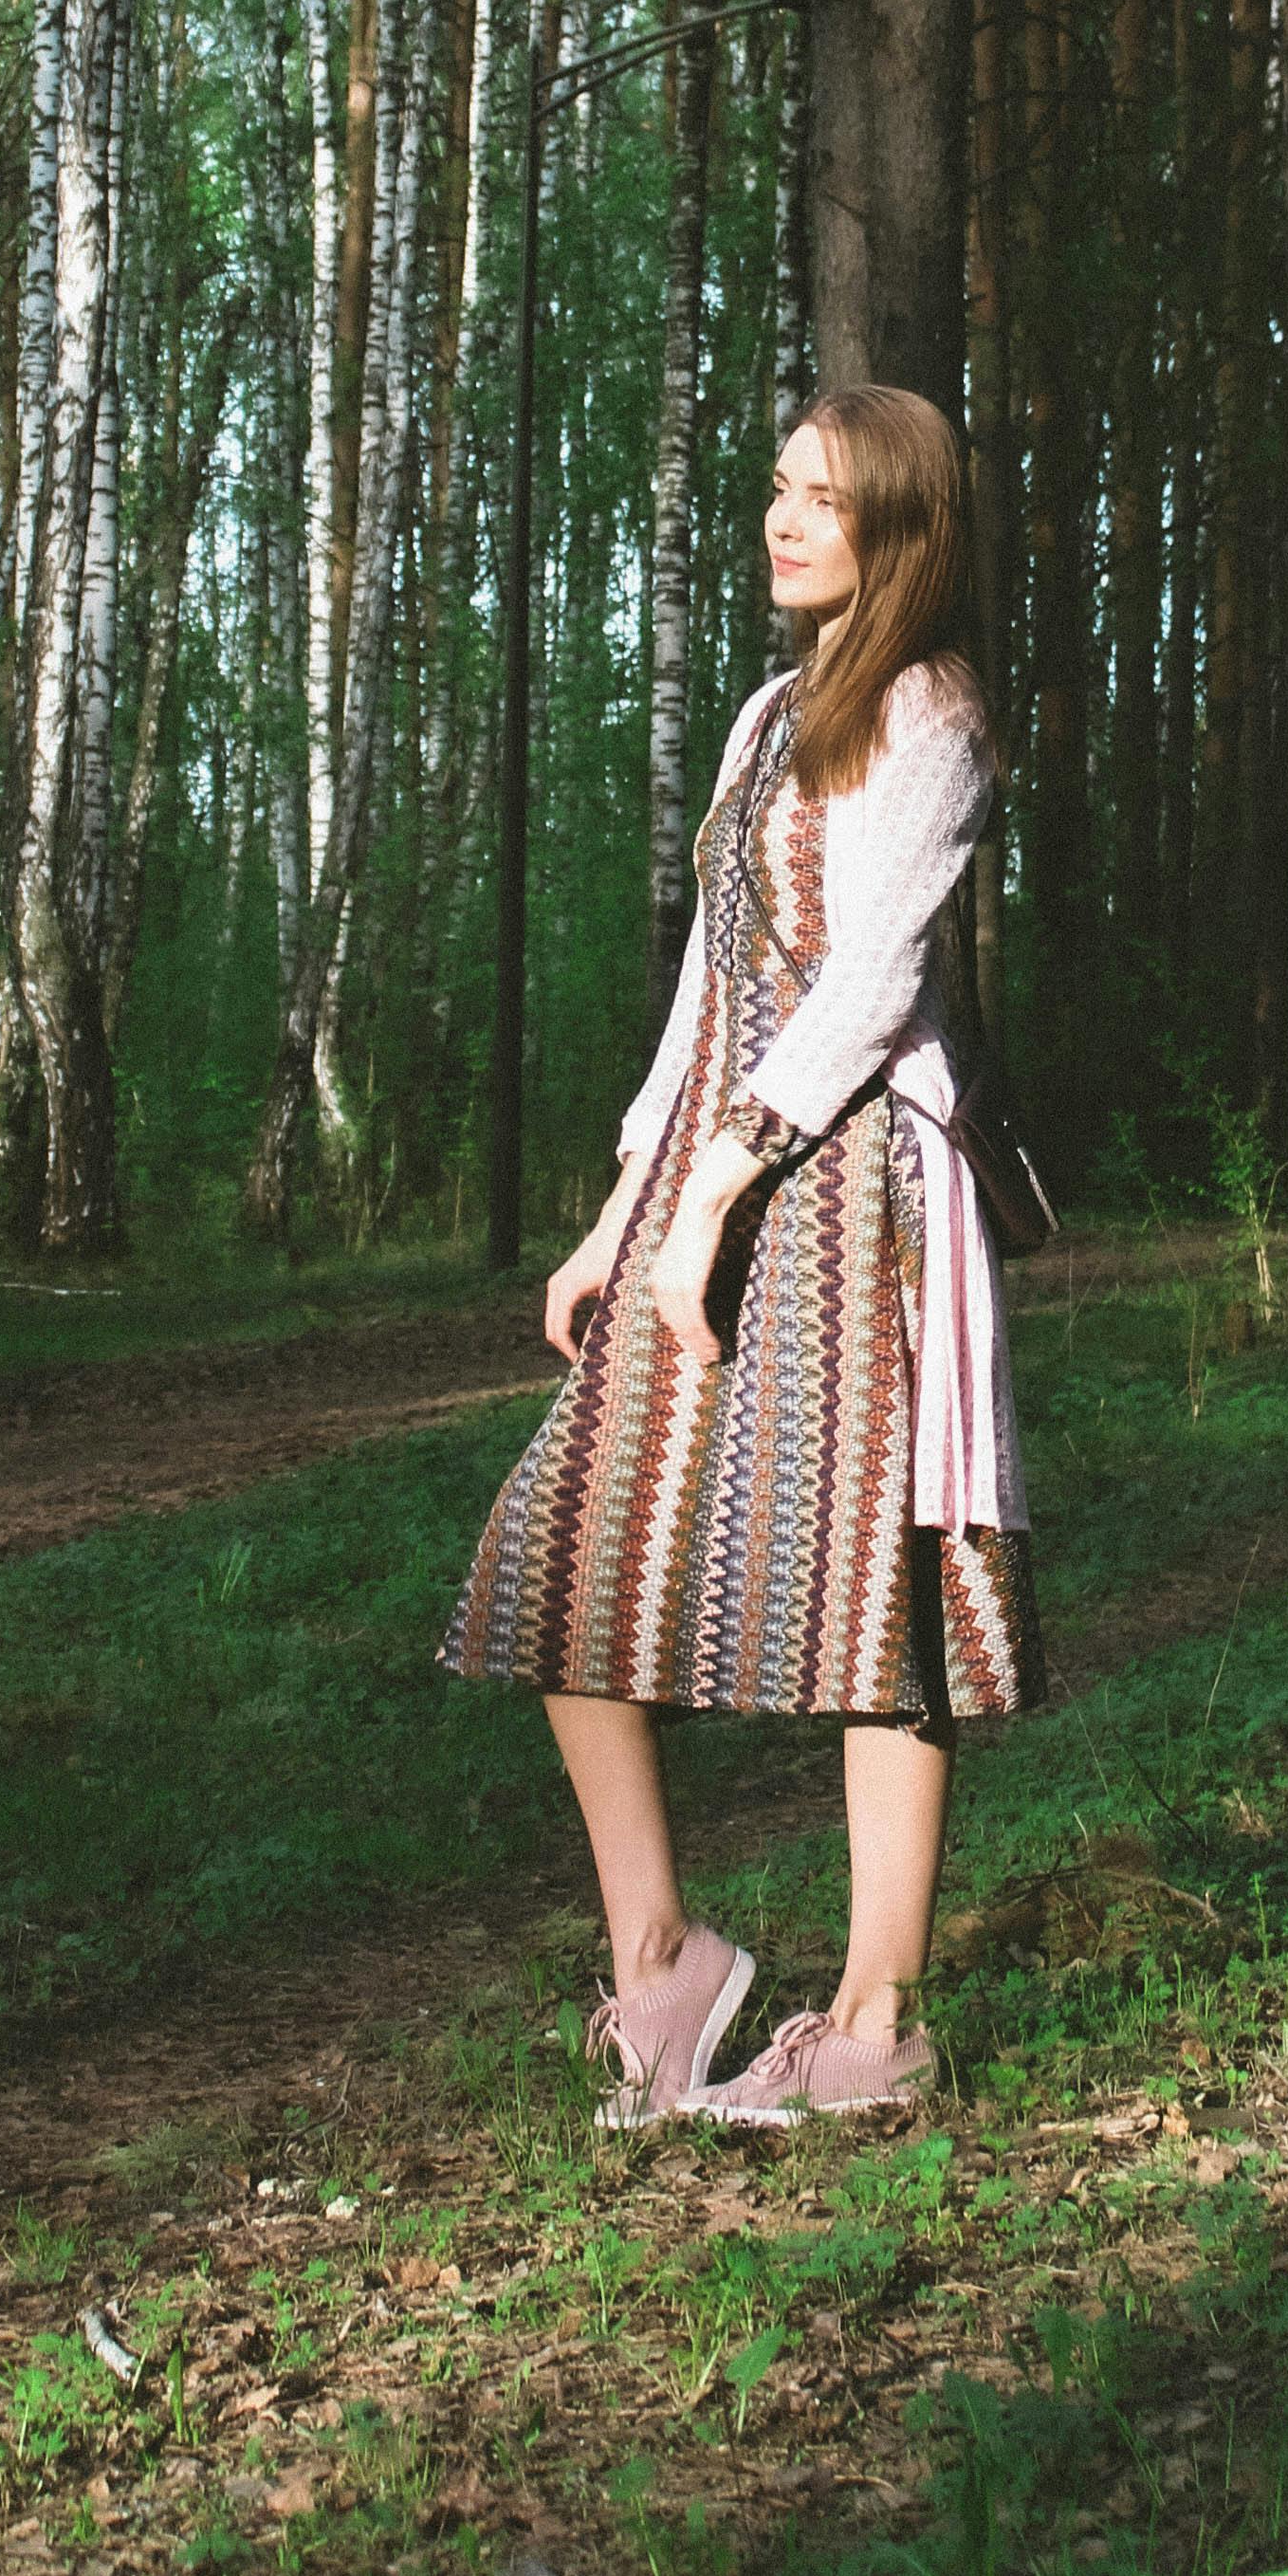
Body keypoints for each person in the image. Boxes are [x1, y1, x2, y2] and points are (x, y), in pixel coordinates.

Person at [442, 383, 1045, 2130]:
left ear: (903, 535)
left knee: (880, 1597)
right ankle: (662, 1961)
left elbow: (871, 984)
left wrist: (722, 1186)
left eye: (825, 499)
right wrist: (625, 1203)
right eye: (778, 487)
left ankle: (875, 2019)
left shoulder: (935, 715)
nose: (784, 520)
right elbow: (710, 982)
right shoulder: (770, 712)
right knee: (569, 1547)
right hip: (713, 1165)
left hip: (855, 1190)